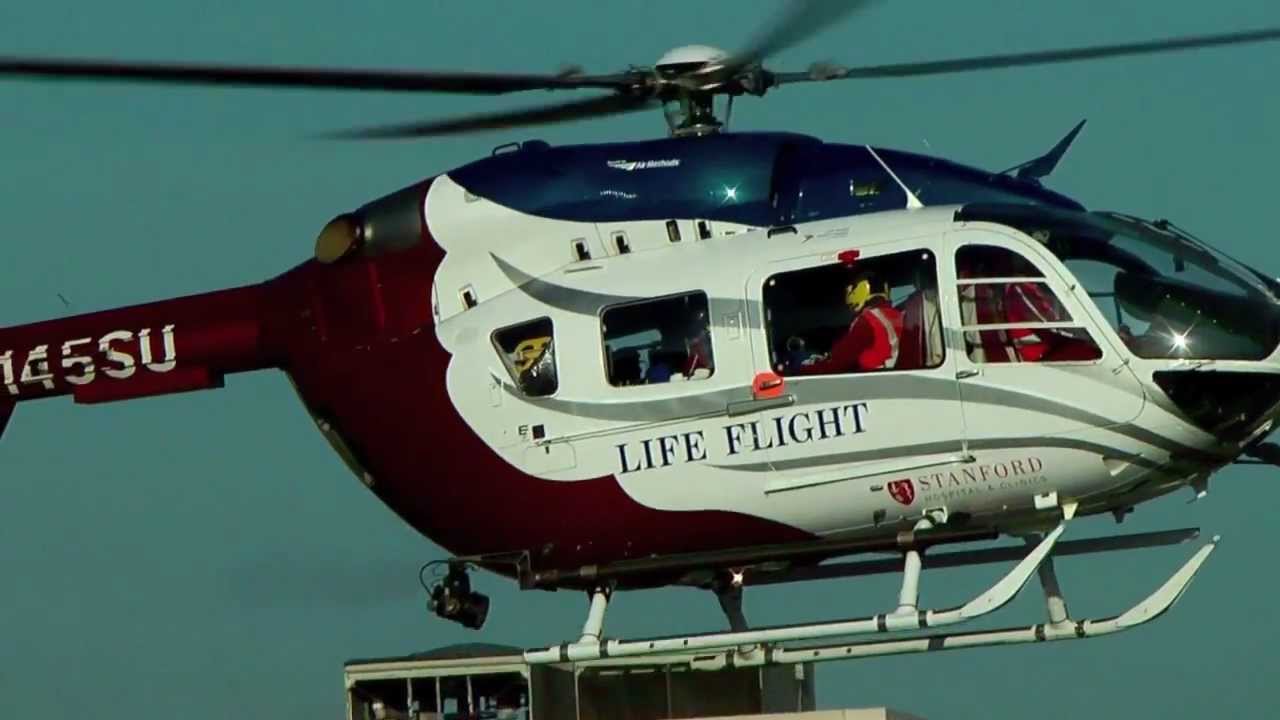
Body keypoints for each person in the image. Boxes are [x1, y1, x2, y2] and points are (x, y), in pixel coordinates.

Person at [796, 271, 903, 375]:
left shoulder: (868, 320)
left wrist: (803, 369)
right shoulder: (897, 315)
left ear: (859, 291)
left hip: (875, 381)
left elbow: (839, 362)